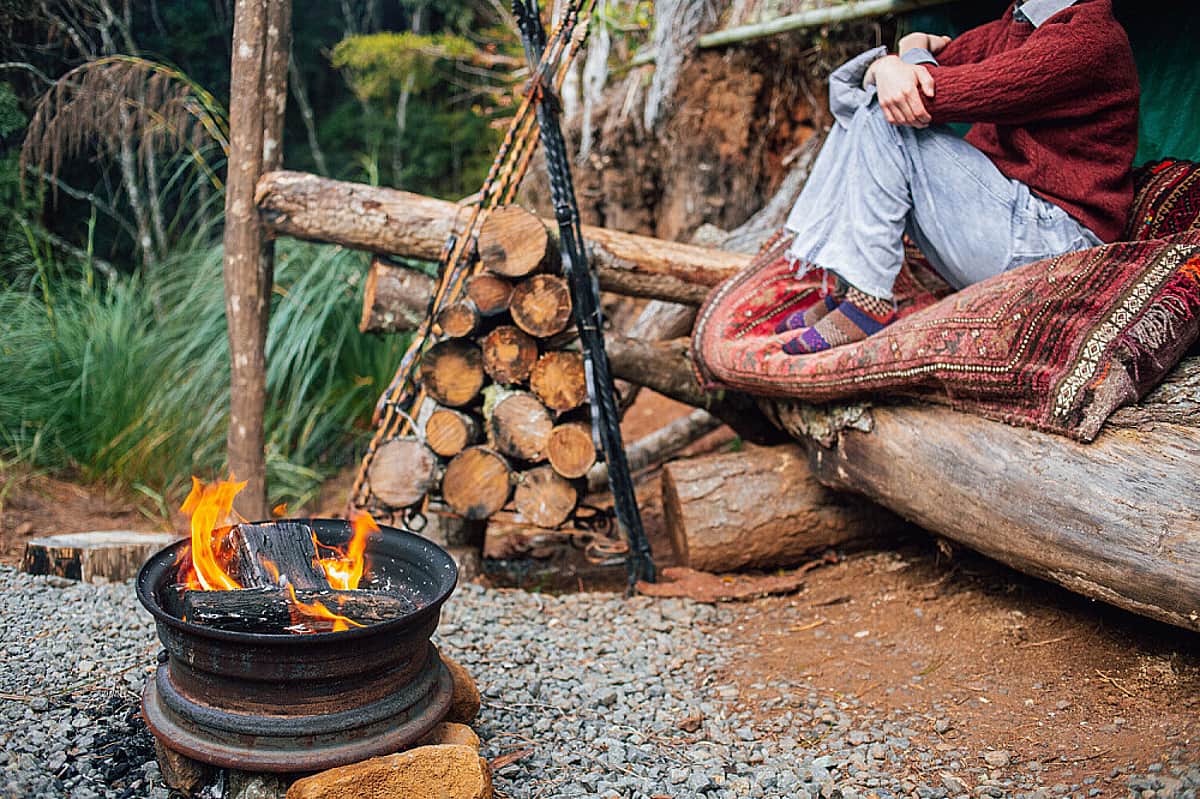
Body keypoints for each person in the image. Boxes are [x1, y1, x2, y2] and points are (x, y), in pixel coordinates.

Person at [777, 0, 1140, 354]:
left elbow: (922, 94)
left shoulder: (1088, 40)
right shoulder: (1017, 25)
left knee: (887, 112)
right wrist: (895, 65)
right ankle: (851, 283)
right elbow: (880, 85)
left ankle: (867, 298)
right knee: (878, 103)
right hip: (1016, 225)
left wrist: (906, 53)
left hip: (1056, 247)